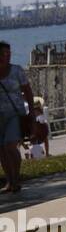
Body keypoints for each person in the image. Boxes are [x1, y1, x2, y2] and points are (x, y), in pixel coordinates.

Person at [0, 41, 35, 194]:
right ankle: (9, 181)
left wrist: (32, 111)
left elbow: (27, 91)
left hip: (15, 114)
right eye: (3, 54)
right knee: (1, 150)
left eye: (8, 54)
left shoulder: (17, 71)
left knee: (10, 146)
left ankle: (16, 178)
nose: (6, 57)